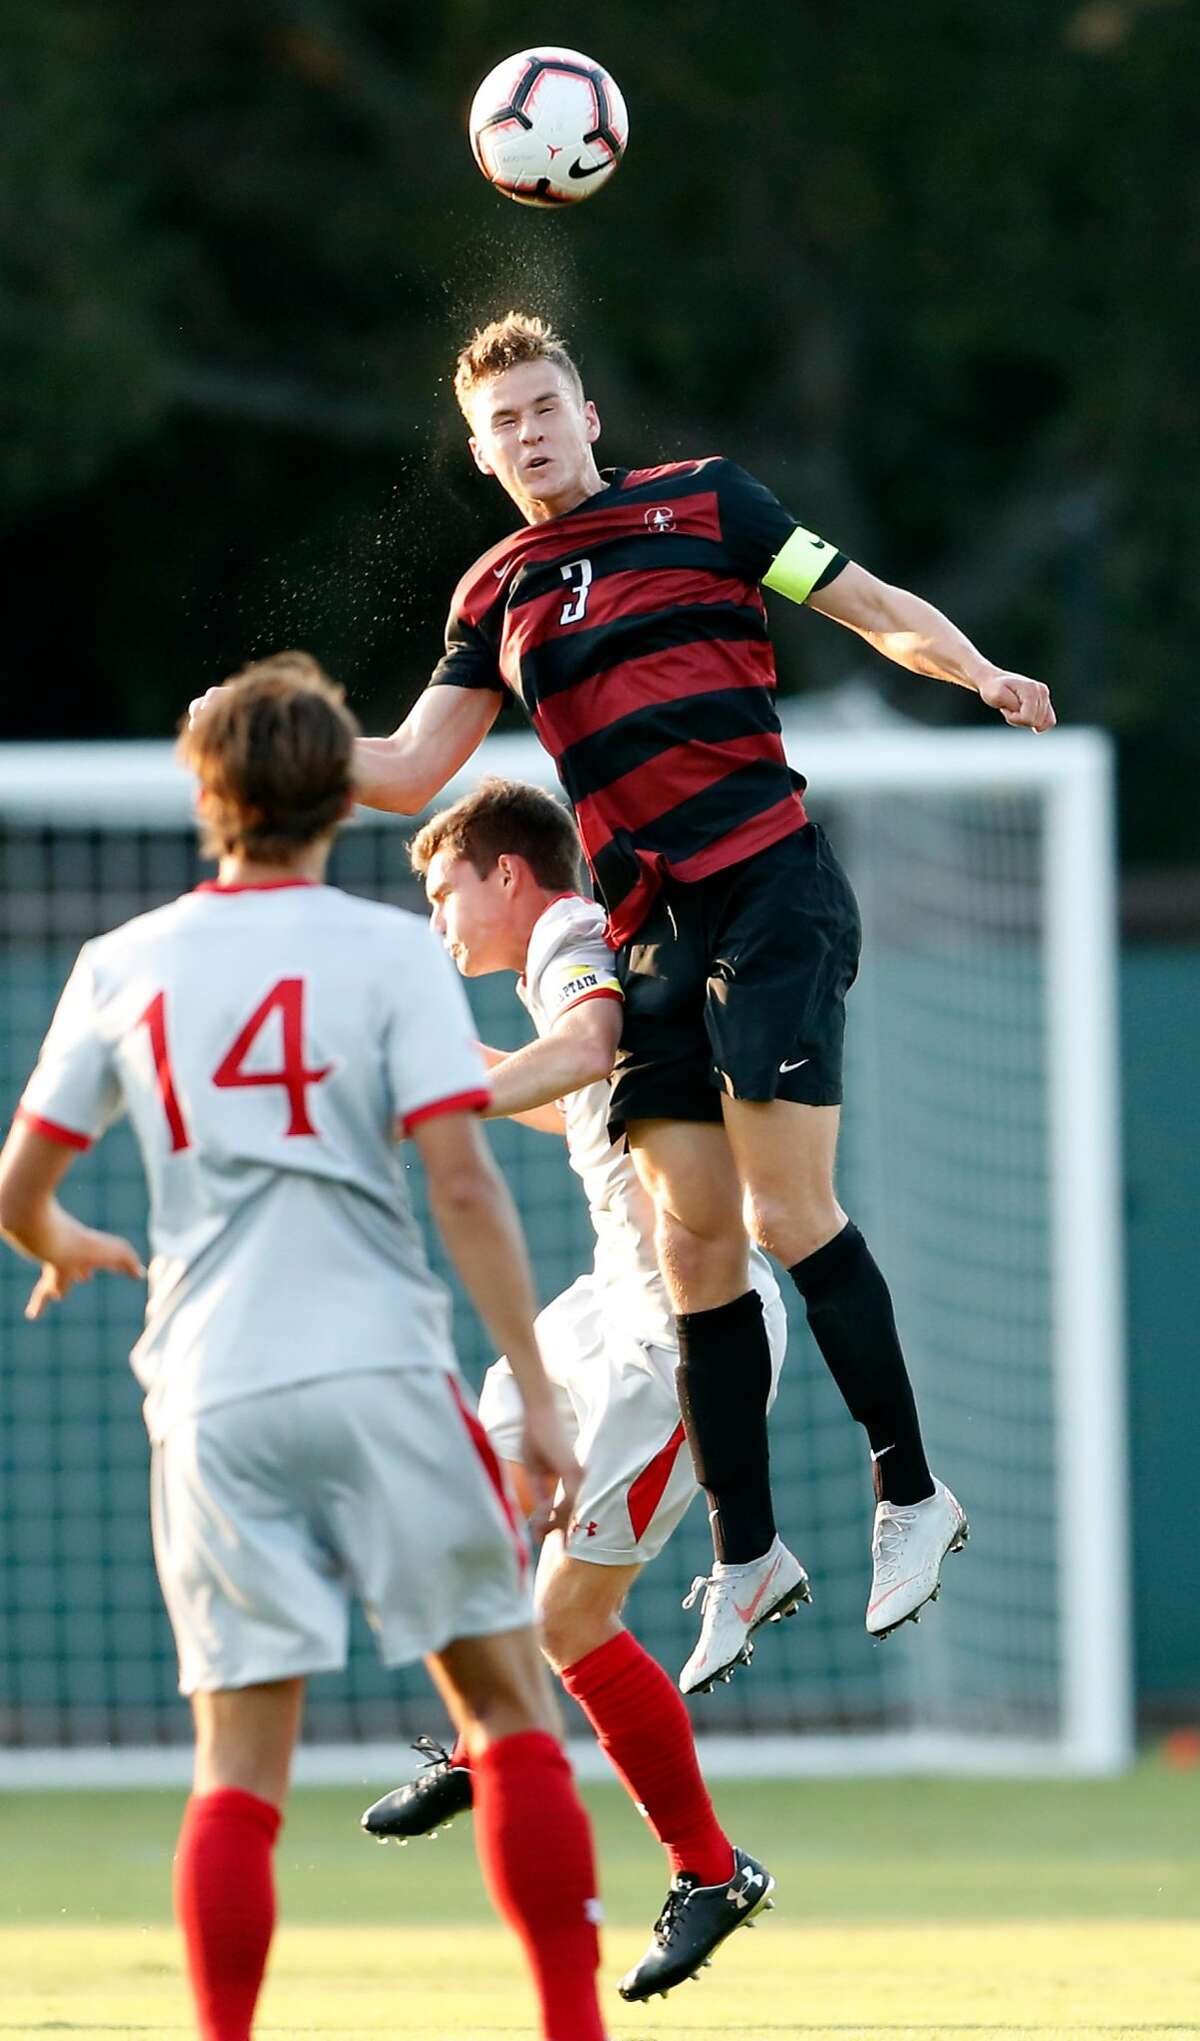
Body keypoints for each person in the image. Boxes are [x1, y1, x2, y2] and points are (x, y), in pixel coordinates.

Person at [198, 311, 1045, 1689]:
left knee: (781, 1209)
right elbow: (416, 768)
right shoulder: (493, 590)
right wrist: (272, 746)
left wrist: (981, 669)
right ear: (480, 452)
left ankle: (910, 1493)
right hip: (652, 931)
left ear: (590, 415)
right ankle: (751, 1552)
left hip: (769, 888)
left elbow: (870, 603)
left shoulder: (707, 501)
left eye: (547, 407)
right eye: (502, 423)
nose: (529, 432)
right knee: (692, 1239)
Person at [0, 657, 608, 2041]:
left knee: (238, 1767)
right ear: (344, 790)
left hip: (208, 1390)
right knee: (509, 1706)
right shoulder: (390, 949)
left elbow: (18, 1186)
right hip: (381, 1368)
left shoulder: (122, 961)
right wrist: (544, 1392)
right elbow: (461, 1182)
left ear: (201, 791)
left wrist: (61, 1244)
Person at [363, 776, 791, 2000]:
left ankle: (710, 1871)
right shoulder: (569, 966)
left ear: (507, 874)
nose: (439, 917)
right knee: (473, 1479)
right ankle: (488, 1741)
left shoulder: (565, 938)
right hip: (610, 1307)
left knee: (569, 1621)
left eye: (445, 889)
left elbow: (587, 1049)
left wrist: (443, 1090)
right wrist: (465, 1067)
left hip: (679, 1337)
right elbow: (585, 1099)